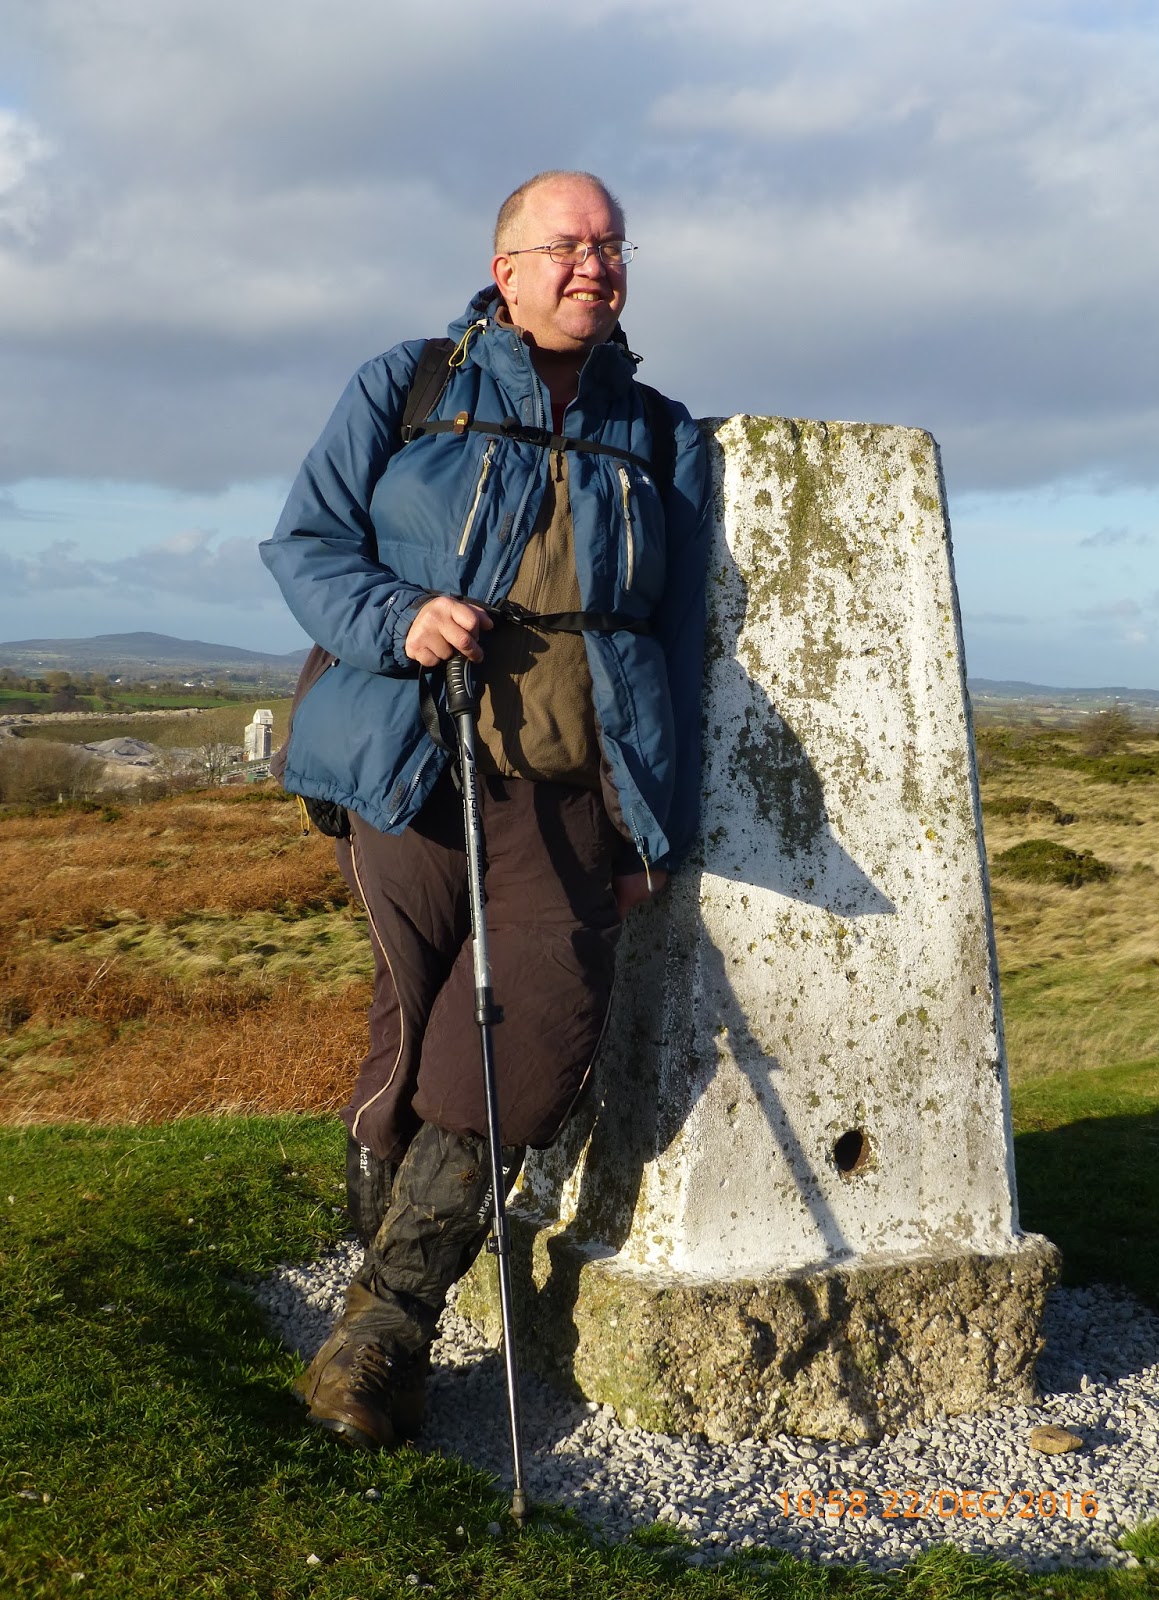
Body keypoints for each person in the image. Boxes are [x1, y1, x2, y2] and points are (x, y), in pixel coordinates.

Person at [260, 170, 711, 1450]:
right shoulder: (409, 384)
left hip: (569, 790)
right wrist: (399, 618)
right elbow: (305, 545)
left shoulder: (662, 432)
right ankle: (385, 1195)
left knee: (522, 1039)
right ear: (505, 266)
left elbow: (672, 644)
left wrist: (645, 824)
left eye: (613, 244)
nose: (595, 264)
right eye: (567, 244)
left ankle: (378, 1333)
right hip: (412, 759)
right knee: (416, 1015)